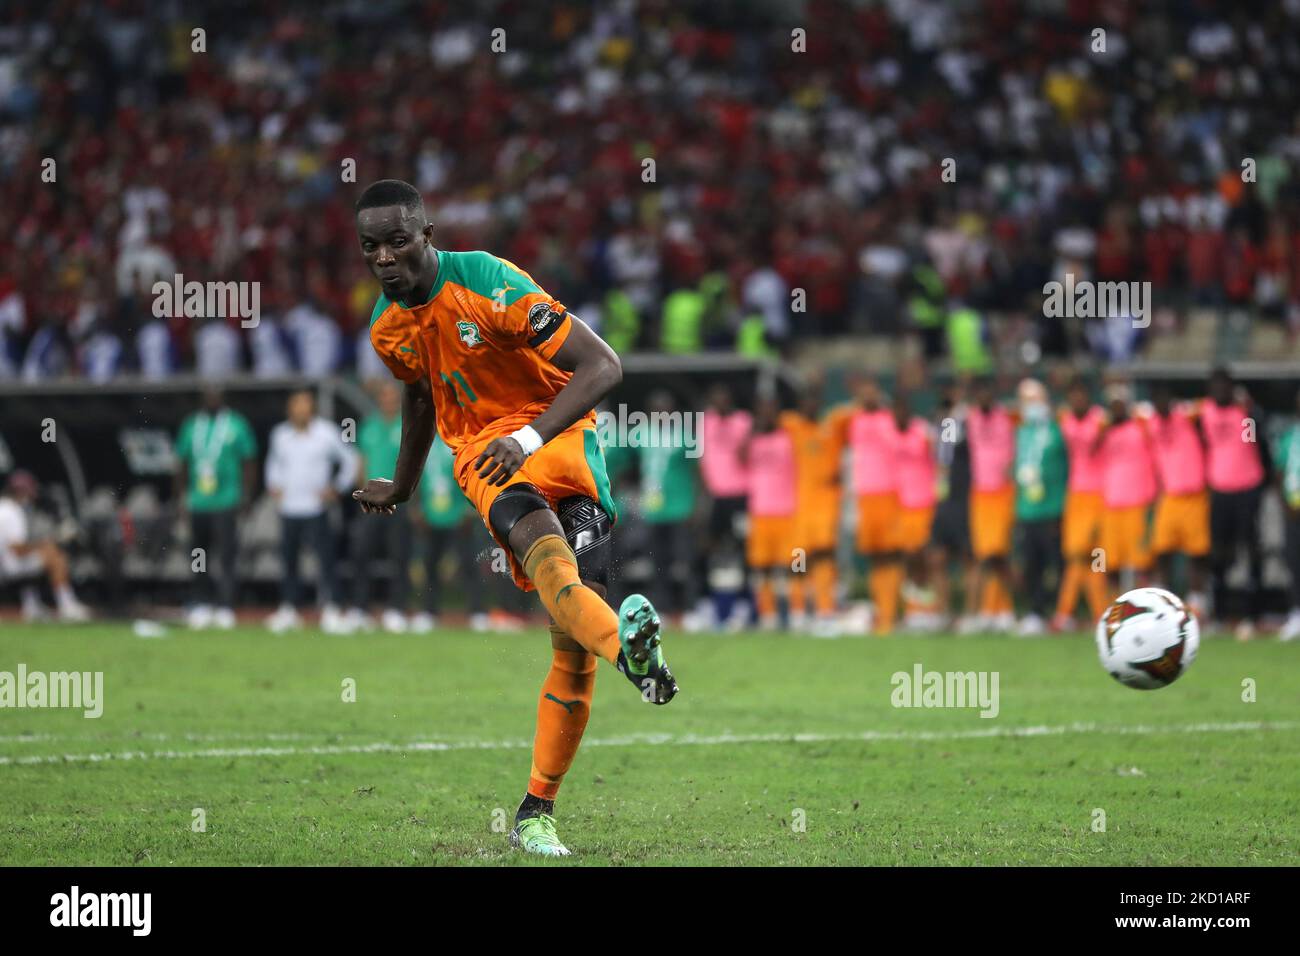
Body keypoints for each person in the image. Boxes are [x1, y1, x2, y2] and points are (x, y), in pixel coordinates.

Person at [350, 179, 677, 858]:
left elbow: (602, 365)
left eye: (397, 240)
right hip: (482, 458)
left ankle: (536, 808)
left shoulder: (490, 284)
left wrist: (527, 440)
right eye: (370, 246)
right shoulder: (388, 329)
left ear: (426, 234)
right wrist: (405, 485)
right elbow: (420, 400)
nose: (384, 256)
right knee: (554, 571)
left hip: (559, 436)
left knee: (570, 640)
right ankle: (632, 656)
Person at [265, 389, 358, 634]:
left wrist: (336, 489)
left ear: (312, 409)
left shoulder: (326, 433)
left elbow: (350, 460)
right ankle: (290, 609)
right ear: (290, 409)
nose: (301, 411)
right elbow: (273, 464)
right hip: (289, 508)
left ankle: (332, 609)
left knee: (326, 560)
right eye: (297, 406)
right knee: (289, 561)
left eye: (305, 406)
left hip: (317, 508)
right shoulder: (280, 435)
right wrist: (274, 486)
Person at [174, 386, 257, 629]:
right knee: (199, 555)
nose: (212, 398)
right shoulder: (191, 425)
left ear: (223, 398)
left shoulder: (236, 425)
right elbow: (180, 462)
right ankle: (201, 601)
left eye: (216, 394)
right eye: (207, 394)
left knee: (227, 555)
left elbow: (249, 460)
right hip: (197, 501)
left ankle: (225, 605)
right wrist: (181, 497)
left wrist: (246, 495)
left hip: (226, 500)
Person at [1200, 368, 1269, 639]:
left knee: (1250, 549)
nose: (1219, 391)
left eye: (1224, 386)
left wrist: (1250, 410)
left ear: (1232, 388)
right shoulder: (1203, 413)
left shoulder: (1246, 413)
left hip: (1247, 488)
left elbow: (1259, 443)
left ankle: (1253, 616)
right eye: (1214, 386)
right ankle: (1218, 614)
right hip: (1219, 489)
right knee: (1218, 552)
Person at [784, 380, 851, 635]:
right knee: (799, 560)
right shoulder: (792, 425)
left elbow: (855, 409)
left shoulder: (831, 426)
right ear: (801, 405)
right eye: (806, 401)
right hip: (800, 507)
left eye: (815, 401)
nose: (810, 406)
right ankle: (799, 611)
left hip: (826, 506)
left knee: (824, 556)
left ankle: (825, 610)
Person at [348, 380, 412, 632]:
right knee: (362, 553)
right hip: (372, 501)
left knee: (399, 556)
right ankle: (361, 609)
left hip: (398, 500)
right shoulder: (369, 427)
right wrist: (361, 493)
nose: (389, 401)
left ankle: (396, 609)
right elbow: (361, 463)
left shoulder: (407, 425)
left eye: (393, 397)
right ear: (379, 400)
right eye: (384, 397)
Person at [413, 433, 488, 632]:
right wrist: (417, 507)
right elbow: (415, 476)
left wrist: (469, 509)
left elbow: (473, 475)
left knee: (468, 565)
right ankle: (429, 612)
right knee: (430, 566)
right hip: (431, 515)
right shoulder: (423, 442)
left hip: (458, 515)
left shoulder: (461, 441)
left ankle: (477, 612)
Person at [1146, 385, 1210, 617]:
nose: (1162, 406)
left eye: (1166, 400)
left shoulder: (1186, 417)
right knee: (1162, 552)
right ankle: (1165, 604)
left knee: (1196, 554)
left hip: (1194, 495)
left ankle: (1196, 606)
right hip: (1169, 496)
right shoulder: (1151, 423)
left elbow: (1208, 405)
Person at [638, 390, 700, 625]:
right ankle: (661, 609)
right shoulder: (642, 434)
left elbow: (697, 472)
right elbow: (631, 465)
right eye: (655, 410)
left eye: (664, 410)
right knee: (657, 562)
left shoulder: (684, 435)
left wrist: (696, 505)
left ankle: (690, 609)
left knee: (685, 561)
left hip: (680, 507)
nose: (660, 414)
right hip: (654, 508)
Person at [1012, 379, 1067, 635]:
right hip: (1027, 509)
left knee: (1058, 564)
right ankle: (1035, 611)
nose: (1031, 406)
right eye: (1026, 400)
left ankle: (1059, 612)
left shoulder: (1057, 429)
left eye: (1035, 400)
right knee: (1031, 565)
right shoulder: (1022, 431)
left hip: (1053, 508)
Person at [848, 377, 903, 635]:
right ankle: (880, 612)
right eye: (863, 393)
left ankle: (893, 613)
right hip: (865, 496)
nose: (867, 398)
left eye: (872, 393)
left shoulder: (889, 419)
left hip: (889, 494)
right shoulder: (853, 420)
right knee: (874, 558)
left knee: (891, 554)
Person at [962, 377, 1016, 633]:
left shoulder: (1007, 416)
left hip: (1003, 491)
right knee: (985, 554)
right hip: (980, 493)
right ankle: (991, 610)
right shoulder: (968, 418)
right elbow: (946, 438)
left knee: (998, 554)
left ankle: (1005, 608)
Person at [1054, 379, 1108, 631]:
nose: (1077, 401)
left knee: (1097, 556)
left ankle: (1099, 612)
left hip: (1098, 493)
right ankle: (1074, 613)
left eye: (1081, 396)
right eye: (1073, 396)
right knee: (1076, 556)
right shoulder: (1065, 420)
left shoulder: (1100, 419)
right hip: (1076, 494)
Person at [0, 470, 90, 621]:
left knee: (41, 554)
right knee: (54, 554)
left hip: (5, 563)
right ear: (21, 491)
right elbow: (17, 550)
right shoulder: (12, 512)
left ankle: (31, 605)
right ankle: (67, 605)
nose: (31, 495)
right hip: (8, 566)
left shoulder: (3, 506)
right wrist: (45, 543)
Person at [1094, 383, 1157, 594]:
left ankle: (1144, 605)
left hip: (1137, 503)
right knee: (1106, 561)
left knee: (1141, 562)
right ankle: (1111, 606)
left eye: (1120, 404)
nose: (1116, 409)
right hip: (1111, 503)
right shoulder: (1105, 431)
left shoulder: (1140, 426)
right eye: (1112, 405)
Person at [700, 383, 753, 628]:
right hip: (716, 497)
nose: (719, 404)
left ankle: (744, 603)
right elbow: (703, 458)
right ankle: (712, 602)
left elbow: (749, 454)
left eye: (723, 399)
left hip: (739, 495)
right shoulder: (707, 421)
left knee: (743, 549)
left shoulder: (743, 421)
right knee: (712, 549)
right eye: (715, 399)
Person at [744, 396, 797, 630]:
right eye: (761, 412)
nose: (766, 416)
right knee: (761, 567)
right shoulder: (752, 440)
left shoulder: (788, 437)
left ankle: (793, 613)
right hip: (760, 511)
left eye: (770, 411)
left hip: (787, 511)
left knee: (792, 566)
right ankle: (768, 615)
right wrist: (752, 432)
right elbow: (739, 458)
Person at [892, 389, 939, 630]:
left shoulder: (922, 430)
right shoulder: (889, 434)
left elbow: (942, 454)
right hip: (901, 505)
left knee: (924, 556)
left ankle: (930, 608)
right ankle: (912, 609)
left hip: (924, 503)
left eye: (903, 410)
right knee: (907, 558)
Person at [1276, 388, 1300, 642]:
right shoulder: (1290, 435)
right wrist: (1285, 504)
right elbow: (1280, 471)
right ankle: (1296, 614)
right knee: (1294, 562)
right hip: (1294, 509)